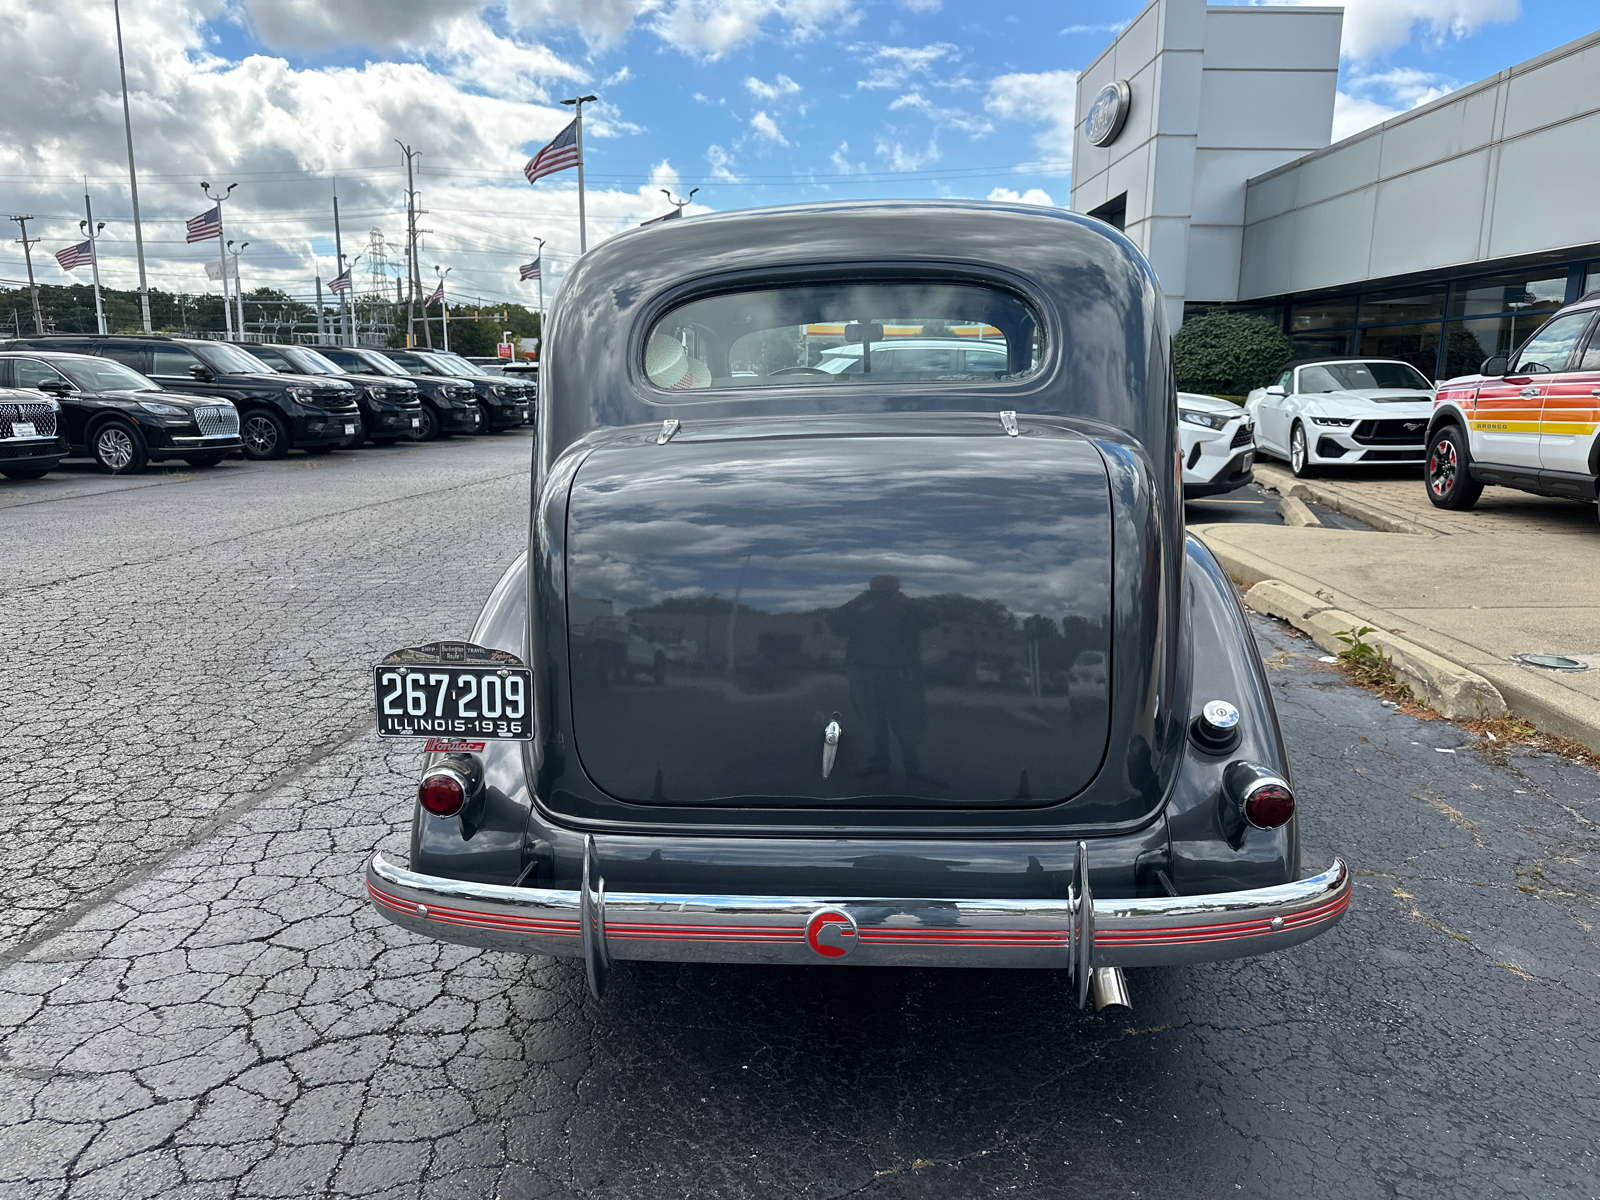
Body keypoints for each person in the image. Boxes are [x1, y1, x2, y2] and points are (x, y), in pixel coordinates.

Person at [826, 575, 940, 783]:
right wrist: (859, 601)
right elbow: (835, 624)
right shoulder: (860, 607)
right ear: (870, 586)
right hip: (866, 671)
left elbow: (931, 619)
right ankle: (879, 762)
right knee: (874, 720)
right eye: (878, 584)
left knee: (907, 720)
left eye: (888, 584)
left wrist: (904, 601)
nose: (882, 588)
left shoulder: (907, 607)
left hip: (902, 673)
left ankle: (912, 766)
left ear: (896, 586)